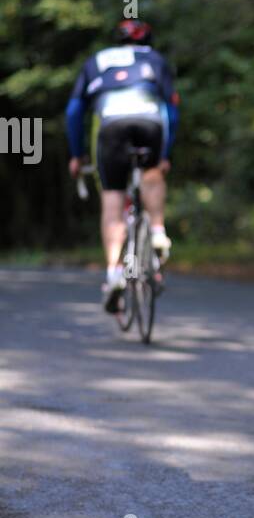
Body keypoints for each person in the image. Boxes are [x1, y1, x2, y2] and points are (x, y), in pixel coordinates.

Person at [65, 20, 179, 312]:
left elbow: (74, 111)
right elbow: (172, 110)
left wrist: (77, 155)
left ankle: (115, 272)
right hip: (149, 120)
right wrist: (163, 154)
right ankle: (156, 230)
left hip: (111, 124)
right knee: (151, 174)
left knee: (113, 200)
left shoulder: (97, 61)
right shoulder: (155, 60)